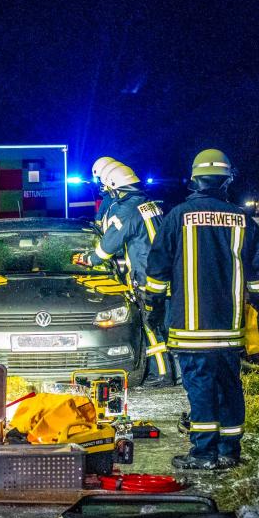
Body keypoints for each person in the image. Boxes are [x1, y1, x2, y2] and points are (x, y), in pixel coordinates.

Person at [144, 149, 259, 471]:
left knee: (201, 388)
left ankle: (204, 454)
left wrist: (153, 305)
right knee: (229, 386)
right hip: (229, 327)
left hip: (190, 327)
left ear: (195, 180)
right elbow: (258, 272)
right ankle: (230, 450)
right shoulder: (242, 219)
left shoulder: (177, 217)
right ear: (227, 179)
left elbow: (157, 267)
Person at [73, 163, 171, 386]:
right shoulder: (150, 204)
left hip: (148, 277)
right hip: (168, 273)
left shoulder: (125, 210)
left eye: (107, 187)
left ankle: (162, 374)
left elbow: (107, 248)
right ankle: (175, 373)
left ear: (115, 185)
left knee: (151, 327)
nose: (106, 191)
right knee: (167, 325)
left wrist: (88, 259)